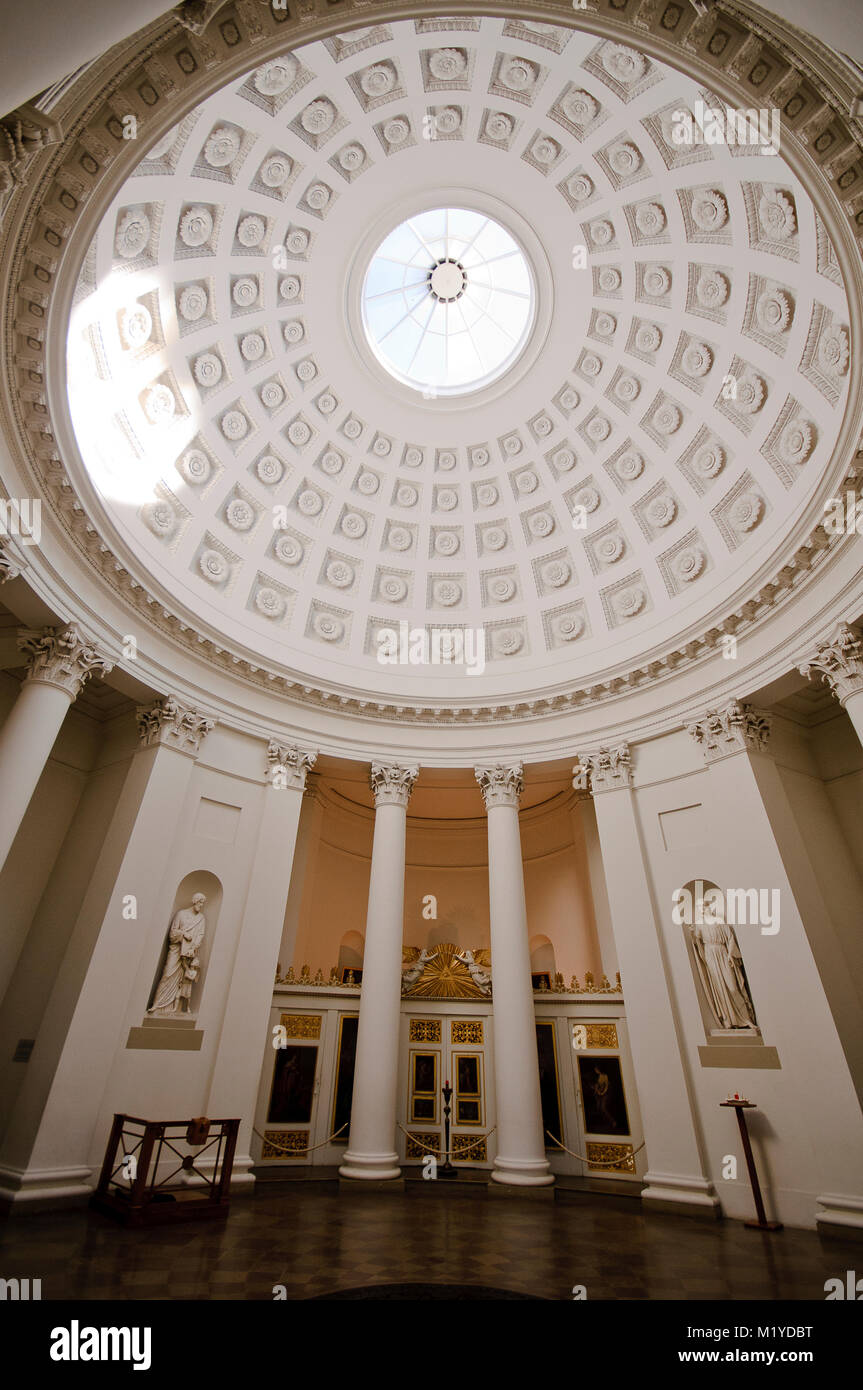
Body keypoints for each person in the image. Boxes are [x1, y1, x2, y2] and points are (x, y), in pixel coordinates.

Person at [148, 893, 207, 1016]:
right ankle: (157, 1004)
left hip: (189, 953)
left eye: (203, 903)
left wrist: (193, 947)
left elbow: (200, 936)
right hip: (176, 950)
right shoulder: (181, 914)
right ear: (195, 901)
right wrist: (183, 934)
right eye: (200, 902)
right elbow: (173, 933)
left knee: (184, 982)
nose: (201, 906)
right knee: (167, 974)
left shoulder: (201, 918)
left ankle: (178, 1007)